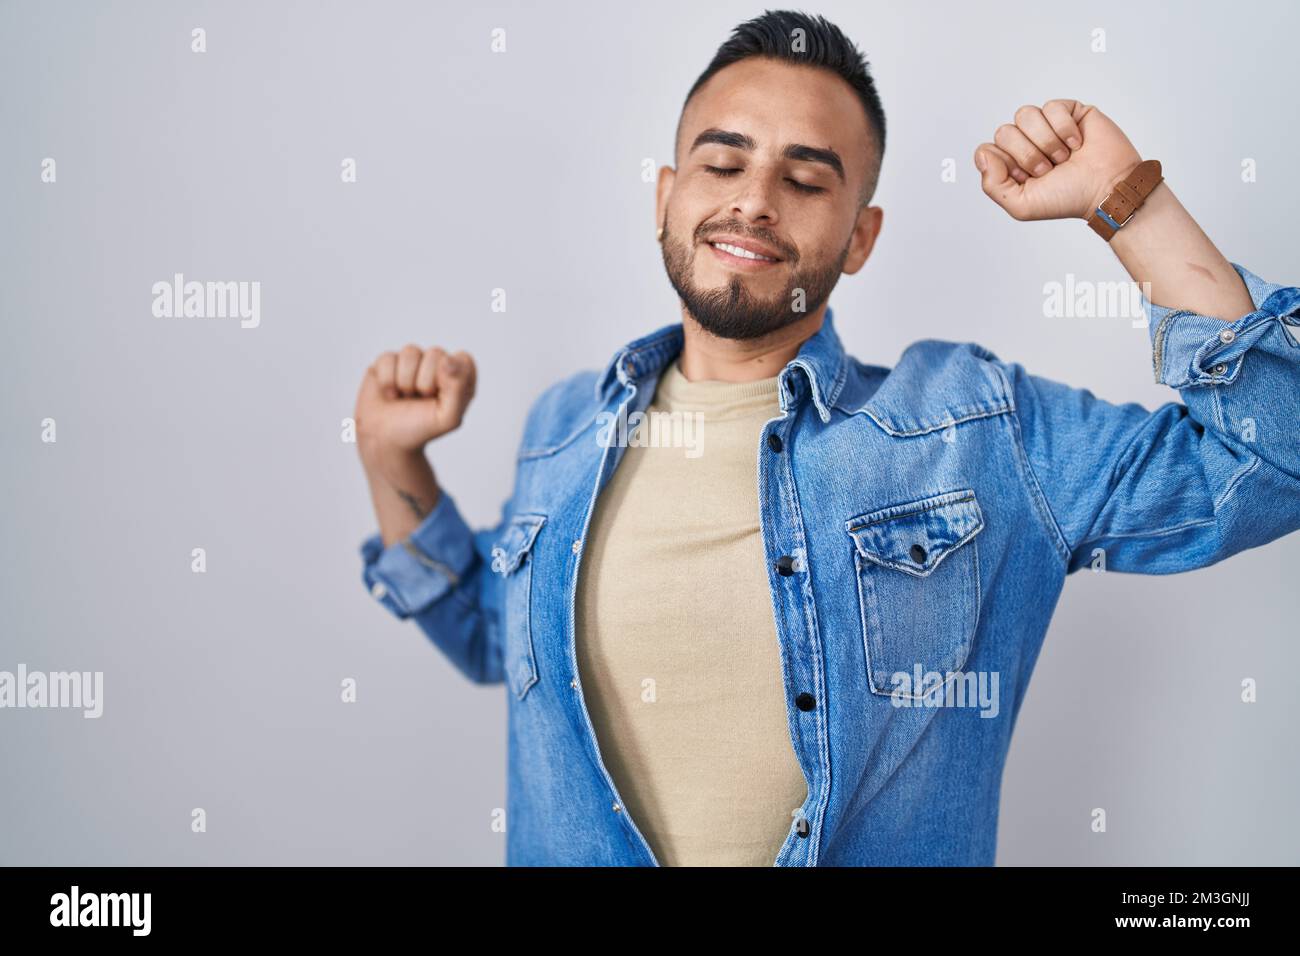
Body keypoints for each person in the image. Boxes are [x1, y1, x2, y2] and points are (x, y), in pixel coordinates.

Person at [352, 11, 1300, 865]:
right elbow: (500, 645)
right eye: (723, 165)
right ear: (665, 198)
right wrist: (391, 460)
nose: (755, 201)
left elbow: (1272, 462)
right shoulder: (564, 426)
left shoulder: (975, 429)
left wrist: (1128, 201)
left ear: (860, 237)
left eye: (805, 179)